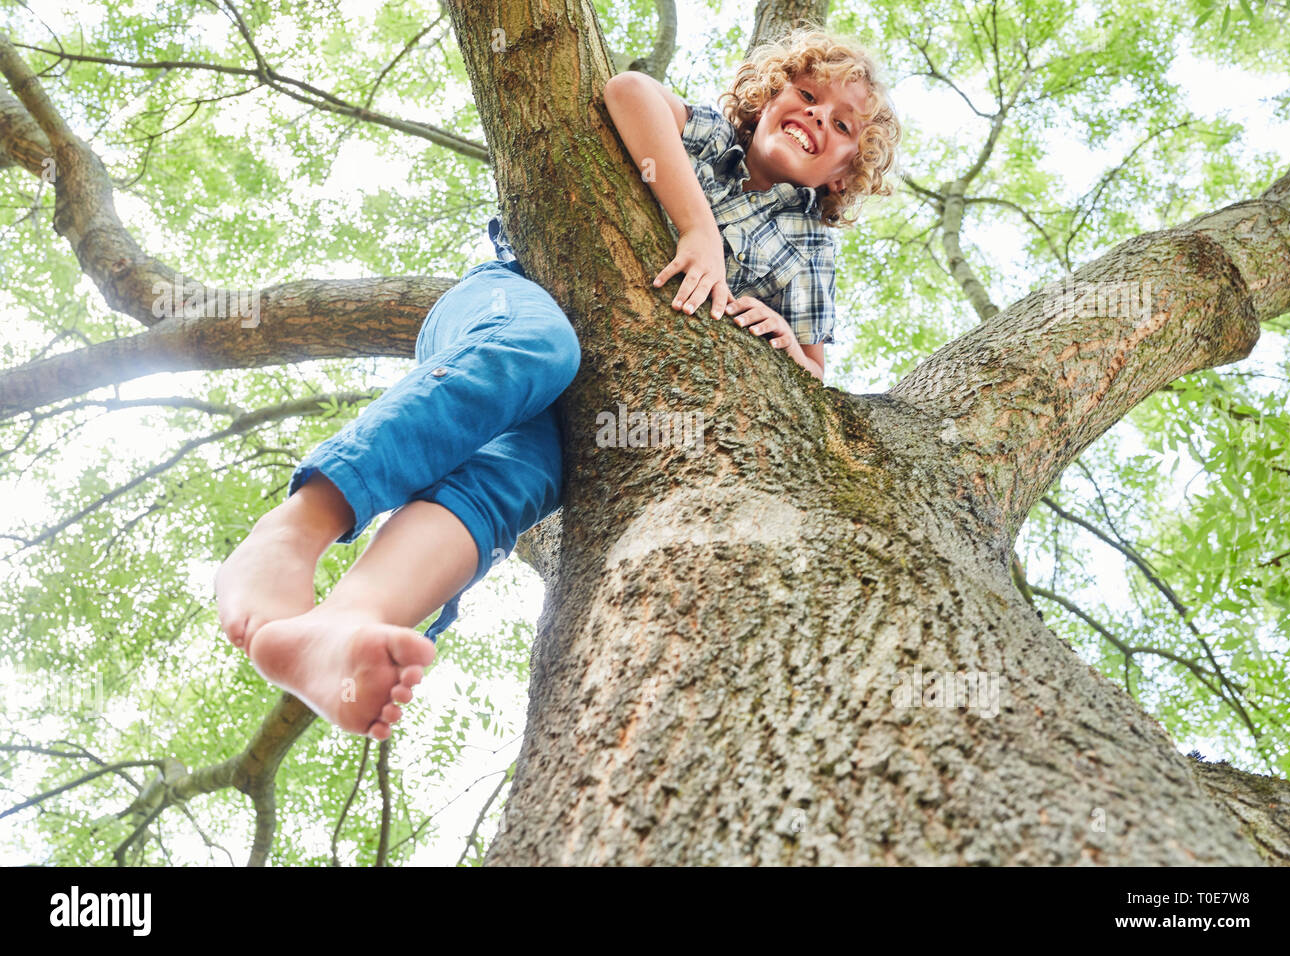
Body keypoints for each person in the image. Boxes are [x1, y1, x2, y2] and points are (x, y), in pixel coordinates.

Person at [213, 25, 902, 740]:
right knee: (537, 346)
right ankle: (300, 527)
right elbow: (627, 90)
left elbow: (814, 375)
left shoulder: (810, 246)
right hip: (511, 299)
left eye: (842, 123)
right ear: (765, 100)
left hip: (587, 398)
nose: (818, 115)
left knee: (522, 479)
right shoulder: (707, 140)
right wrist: (698, 229)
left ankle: (348, 622)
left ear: (847, 171)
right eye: (806, 94)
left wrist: (787, 338)